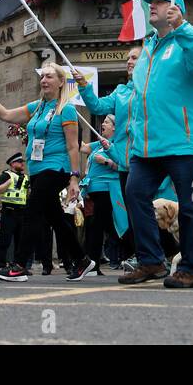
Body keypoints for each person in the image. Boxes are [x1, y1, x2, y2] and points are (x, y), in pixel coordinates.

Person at [114, 0, 193, 289]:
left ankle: (189, 268)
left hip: (185, 144)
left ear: (175, 9)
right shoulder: (148, 49)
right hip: (147, 147)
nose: (152, 7)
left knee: (190, 206)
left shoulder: (188, 40)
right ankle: (151, 261)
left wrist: (183, 27)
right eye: (151, 3)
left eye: (158, 2)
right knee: (134, 194)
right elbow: (140, 97)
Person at [0, 63, 91, 282]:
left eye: (49, 76)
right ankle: (82, 260)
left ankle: (19, 266)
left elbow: (72, 146)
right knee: (57, 219)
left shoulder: (66, 109)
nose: (44, 80)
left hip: (56, 168)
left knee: (32, 213)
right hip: (38, 169)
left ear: (60, 82)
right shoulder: (37, 107)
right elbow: (7, 115)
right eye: (42, 77)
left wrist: (74, 178)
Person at [78, 46, 140, 265]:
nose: (129, 61)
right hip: (125, 164)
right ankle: (145, 258)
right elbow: (96, 106)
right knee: (132, 214)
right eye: (128, 58)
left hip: (146, 157)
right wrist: (84, 86)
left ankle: (156, 256)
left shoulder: (152, 88)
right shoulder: (121, 91)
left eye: (134, 57)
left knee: (142, 211)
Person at [80, 115, 120, 276]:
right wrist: (72, 126)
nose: (102, 124)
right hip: (93, 190)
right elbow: (82, 147)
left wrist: (106, 162)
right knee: (101, 226)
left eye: (106, 122)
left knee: (99, 227)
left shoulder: (118, 143)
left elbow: (124, 165)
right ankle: (93, 265)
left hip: (107, 189)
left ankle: (93, 265)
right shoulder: (98, 144)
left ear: (115, 127)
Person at [0, 153, 28, 267]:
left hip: (21, 211)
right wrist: (9, 182)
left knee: (21, 241)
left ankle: (18, 265)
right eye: (20, 162)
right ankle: (1, 265)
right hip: (9, 210)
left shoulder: (25, 177)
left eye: (22, 162)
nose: (23, 164)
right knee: (5, 239)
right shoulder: (6, 175)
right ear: (13, 164)